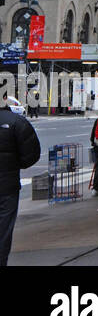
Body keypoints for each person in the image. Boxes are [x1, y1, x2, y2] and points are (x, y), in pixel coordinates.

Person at [0, 92, 39, 265]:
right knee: (3, 230)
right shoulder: (17, 122)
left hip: (7, 185)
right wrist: (14, 165)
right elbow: (31, 155)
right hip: (7, 186)